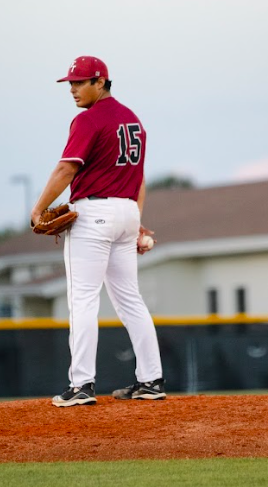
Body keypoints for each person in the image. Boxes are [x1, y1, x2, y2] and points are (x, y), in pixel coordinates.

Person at [30, 55, 166, 408]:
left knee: (83, 300)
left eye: (80, 82)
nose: (73, 89)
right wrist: (135, 221)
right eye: (71, 83)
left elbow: (65, 170)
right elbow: (140, 180)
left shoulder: (88, 120)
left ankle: (81, 385)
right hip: (125, 211)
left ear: (101, 82)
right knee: (130, 300)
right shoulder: (133, 121)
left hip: (94, 212)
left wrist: (38, 208)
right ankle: (151, 379)